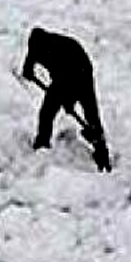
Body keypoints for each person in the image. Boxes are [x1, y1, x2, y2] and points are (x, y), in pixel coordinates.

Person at [21, 26, 112, 172]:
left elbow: (68, 80)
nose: (35, 52)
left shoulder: (60, 48)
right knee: (47, 112)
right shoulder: (36, 47)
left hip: (81, 74)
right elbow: (29, 64)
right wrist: (28, 70)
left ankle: (102, 152)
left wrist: (69, 101)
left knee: (91, 114)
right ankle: (42, 142)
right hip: (61, 78)